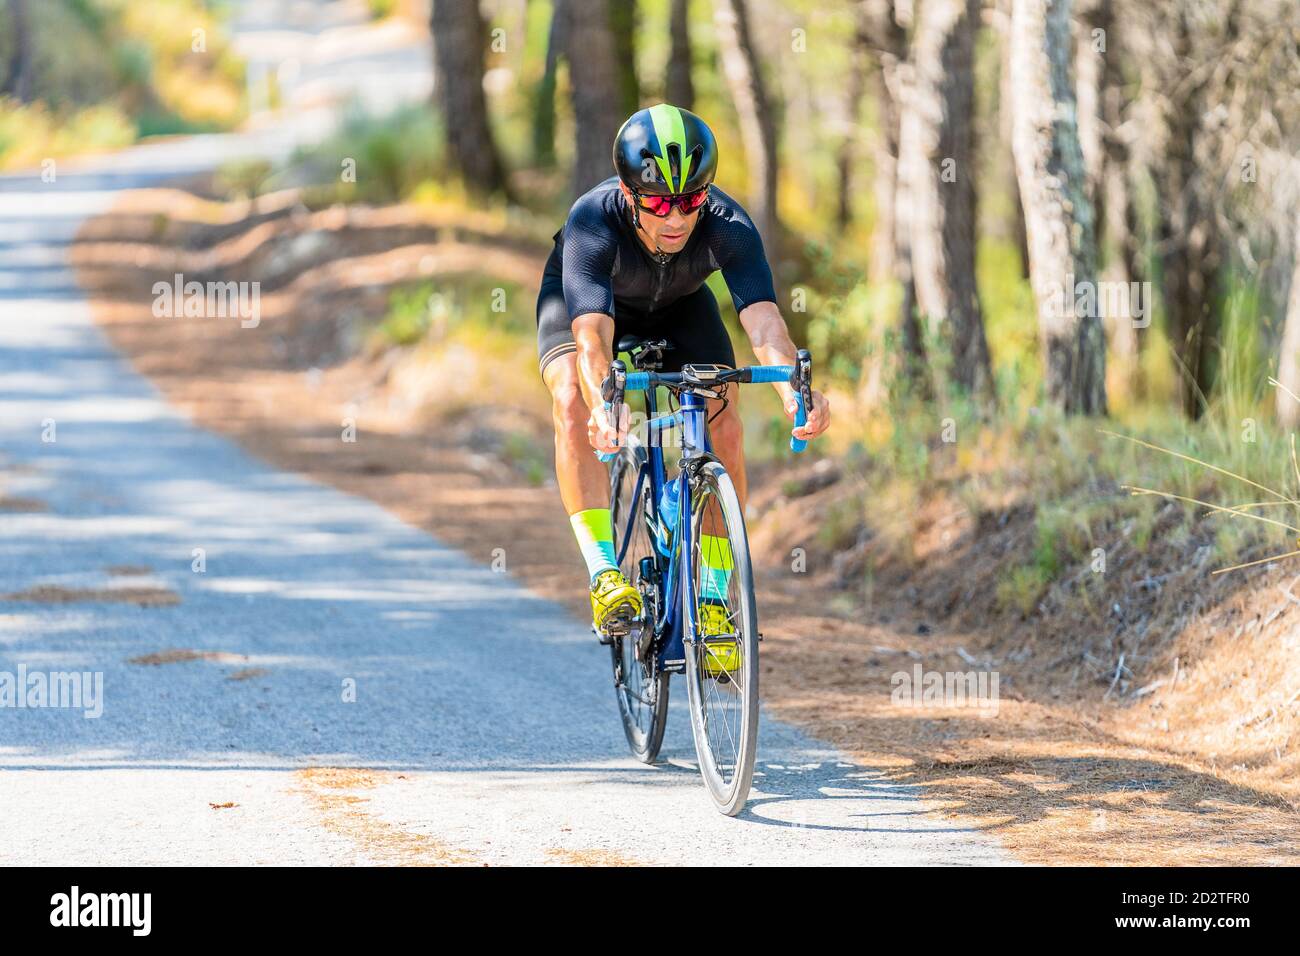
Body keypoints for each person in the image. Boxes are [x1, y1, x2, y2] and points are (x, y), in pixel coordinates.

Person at [535, 104, 830, 658]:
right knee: (572, 396)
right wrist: (607, 403)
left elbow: (764, 321)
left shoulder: (728, 224)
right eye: (659, 203)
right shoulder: (591, 221)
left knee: (725, 419)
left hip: (680, 309)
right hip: (592, 310)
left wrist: (794, 388)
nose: (676, 219)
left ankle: (715, 597)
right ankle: (604, 573)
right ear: (629, 194)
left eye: (691, 200)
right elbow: (593, 340)